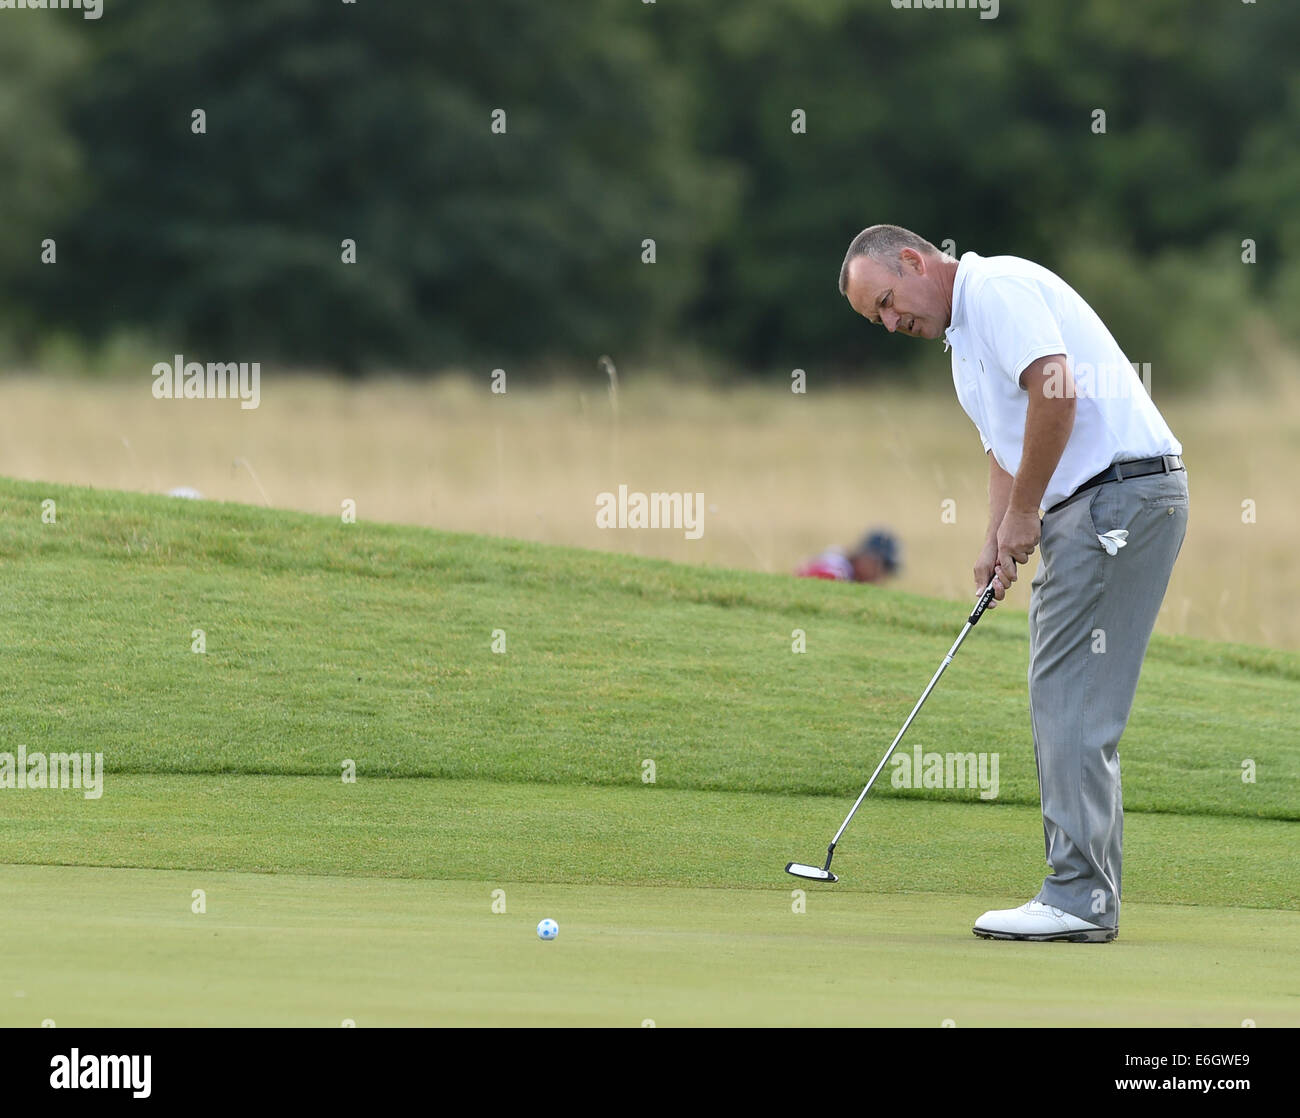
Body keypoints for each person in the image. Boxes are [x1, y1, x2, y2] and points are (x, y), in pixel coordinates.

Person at [838, 224, 1188, 943]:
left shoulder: (994, 289)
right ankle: (1082, 891)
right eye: (875, 318)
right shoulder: (964, 342)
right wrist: (997, 536)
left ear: (912, 261)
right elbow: (1007, 448)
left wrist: (1029, 511)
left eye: (886, 301)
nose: (889, 322)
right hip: (1102, 502)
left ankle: (1078, 896)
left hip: (1113, 498)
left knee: (1070, 693)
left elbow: (1055, 388)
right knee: (1062, 688)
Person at [796, 529, 901, 584]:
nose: (881, 576)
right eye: (882, 566)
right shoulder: (840, 568)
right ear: (866, 557)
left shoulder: (846, 572)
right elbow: (807, 576)